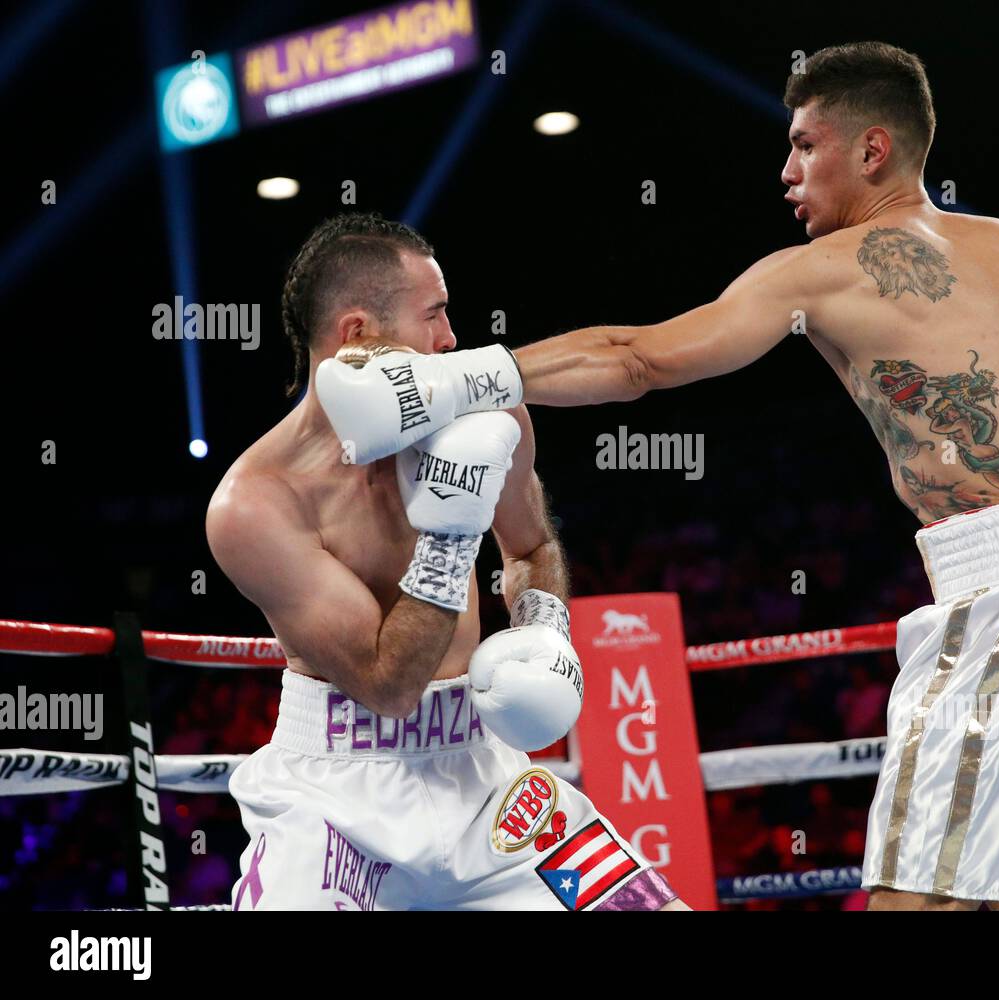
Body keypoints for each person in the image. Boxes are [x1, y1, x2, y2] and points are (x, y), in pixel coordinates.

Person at [319, 42, 999, 911]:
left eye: (805, 145)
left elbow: (637, 359)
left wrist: (448, 381)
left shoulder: (825, 269)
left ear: (872, 150)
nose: (786, 172)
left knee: (916, 897)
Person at [207, 212, 682, 910]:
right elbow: (390, 686)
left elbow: (531, 546)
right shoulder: (256, 502)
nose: (450, 339)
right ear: (359, 335)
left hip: (483, 778)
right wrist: (454, 524)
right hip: (336, 791)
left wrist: (543, 628)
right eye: (433, 315)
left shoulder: (485, 418)